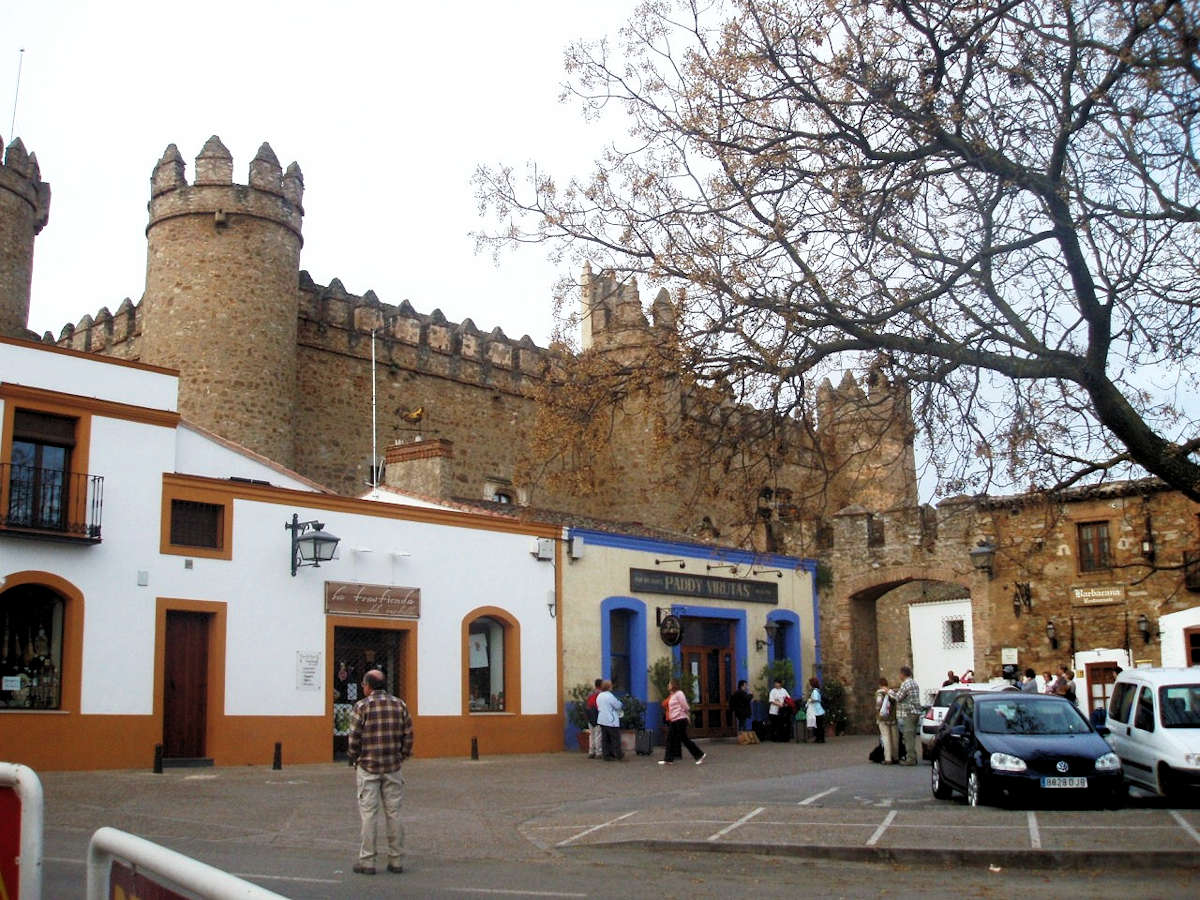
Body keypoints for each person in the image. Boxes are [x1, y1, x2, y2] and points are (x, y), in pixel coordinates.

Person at [347, 669, 414, 876]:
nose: (362, 687)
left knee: (369, 814)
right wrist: (400, 756)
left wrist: (355, 757)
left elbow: (353, 738)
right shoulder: (399, 705)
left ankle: (367, 861)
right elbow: (408, 735)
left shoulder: (362, 706)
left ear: (368, 686)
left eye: (363, 684)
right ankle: (396, 860)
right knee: (394, 813)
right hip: (393, 767)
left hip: (368, 767)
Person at [659, 678, 706, 765]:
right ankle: (668, 759)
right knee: (670, 738)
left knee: (684, 739)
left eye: (669, 684)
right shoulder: (672, 695)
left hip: (680, 719)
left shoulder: (679, 694)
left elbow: (685, 706)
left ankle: (699, 754)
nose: (668, 686)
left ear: (674, 685)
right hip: (674, 720)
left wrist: (687, 715)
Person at [892, 665, 921, 765]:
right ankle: (913, 756)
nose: (899, 676)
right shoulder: (914, 683)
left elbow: (898, 697)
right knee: (912, 735)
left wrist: (890, 692)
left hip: (909, 712)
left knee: (908, 736)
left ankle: (911, 759)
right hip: (916, 712)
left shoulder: (906, 684)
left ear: (903, 674)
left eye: (900, 674)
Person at [596, 679, 625, 761]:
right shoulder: (609, 696)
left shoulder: (600, 695)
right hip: (611, 720)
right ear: (609, 687)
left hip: (602, 719)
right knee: (615, 738)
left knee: (605, 739)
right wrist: (620, 703)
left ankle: (606, 755)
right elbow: (618, 705)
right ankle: (618, 754)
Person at [874, 677, 898, 764]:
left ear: (879, 684)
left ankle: (888, 758)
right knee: (894, 737)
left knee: (886, 737)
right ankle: (895, 756)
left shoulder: (880, 693)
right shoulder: (892, 692)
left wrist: (877, 710)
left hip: (883, 718)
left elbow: (878, 703)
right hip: (892, 718)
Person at [768, 678, 791, 742]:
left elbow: (788, 698)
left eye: (777, 683)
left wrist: (785, 704)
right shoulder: (773, 691)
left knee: (780, 725)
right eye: (775, 683)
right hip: (773, 710)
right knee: (774, 725)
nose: (775, 684)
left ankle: (781, 738)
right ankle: (774, 738)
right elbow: (771, 700)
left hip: (781, 711)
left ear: (780, 684)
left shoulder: (784, 690)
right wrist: (778, 703)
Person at [585, 678, 602, 759]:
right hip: (597, 715)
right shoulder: (601, 694)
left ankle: (591, 751)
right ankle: (598, 752)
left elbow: (587, 703)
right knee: (598, 734)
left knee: (591, 734)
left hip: (590, 715)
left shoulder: (590, 693)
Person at [806, 677, 826, 742]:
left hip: (817, 710)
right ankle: (820, 738)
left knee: (818, 725)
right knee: (819, 725)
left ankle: (819, 738)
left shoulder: (814, 691)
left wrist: (809, 700)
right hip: (819, 710)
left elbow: (815, 699)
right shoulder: (817, 690)